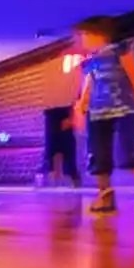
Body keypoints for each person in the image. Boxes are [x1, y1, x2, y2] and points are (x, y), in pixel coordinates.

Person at [72, 15, 134, 214]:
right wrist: (81, 108)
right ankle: (105, 197)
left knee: (128, 152)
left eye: (85, 34)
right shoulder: (89, 62)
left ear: (100, 34)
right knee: (98, 155)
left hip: (124, 109)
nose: (82, 40)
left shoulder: (120, 50)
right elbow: (88, 86)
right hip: (97, 113)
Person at [42, 53, 83, 187]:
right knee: (53, 146)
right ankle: (55, 175)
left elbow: (78, 93)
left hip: (64, 108)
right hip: (53, 110)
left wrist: (72, 115)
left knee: (66, 146)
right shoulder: (56, 71)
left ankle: (70, 176)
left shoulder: (75, 70)